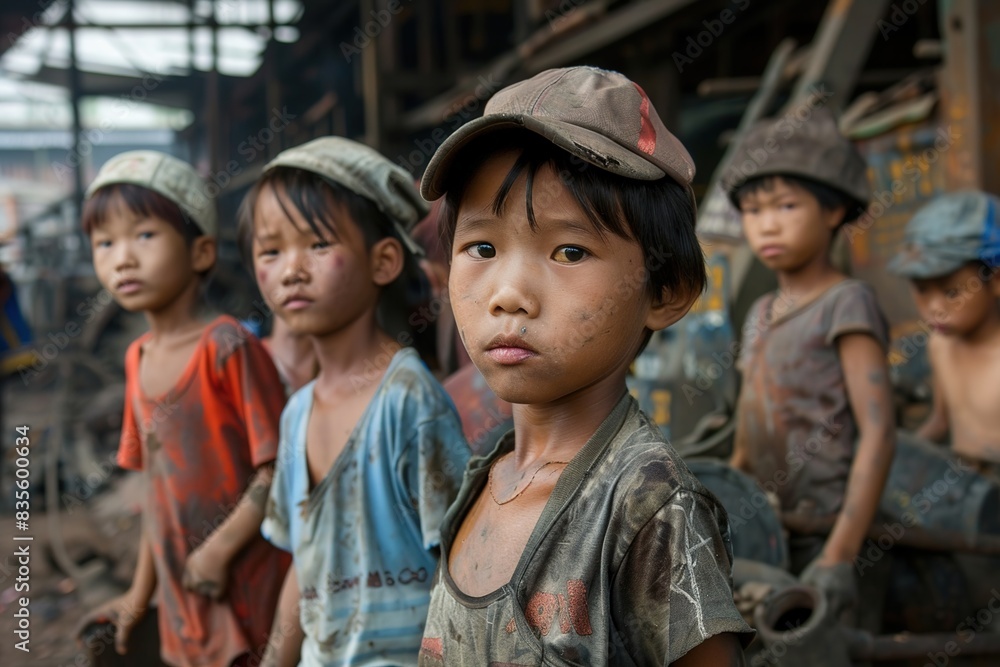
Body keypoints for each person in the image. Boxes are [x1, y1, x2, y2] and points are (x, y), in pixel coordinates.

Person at [416, 66, 754, 666]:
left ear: (665, 290)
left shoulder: (646, 507)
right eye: (482, 249)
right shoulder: (482, 482)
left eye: (570, 251)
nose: (509, 294)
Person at [237, 137, 471, 667]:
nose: (291, 270)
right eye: (271, 251)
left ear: (384, 261)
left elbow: (461, 565)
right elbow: (305, 559)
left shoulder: (408, 401)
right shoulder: (296, 415)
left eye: (318, 245)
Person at [76, 151, 290, 667]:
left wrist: (219, 549)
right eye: (105, 244)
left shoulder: (227, 347)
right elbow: (156, 490)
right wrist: (138, 592)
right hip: (179, 590)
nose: (122, 258)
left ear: (200, 252)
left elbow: (280, 469)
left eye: (144, 236)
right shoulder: (136, 358)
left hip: (246, 580)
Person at [722, 109, 896, 615]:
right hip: (772, 530)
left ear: (834, 211)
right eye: (753, 211)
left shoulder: (847, 303)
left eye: (787, 205)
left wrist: (841, 556)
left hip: (834, 532)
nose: (767, 224)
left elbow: (880, 433)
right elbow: (747, 426)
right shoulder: (758, 313)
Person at [888, 191, 1000, 476]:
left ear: (996, 281)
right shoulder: (939, 345)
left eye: (952, 292)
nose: (935, 308)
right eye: (922, 290)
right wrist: (891, 462)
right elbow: (941, 422)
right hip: (961, 491)